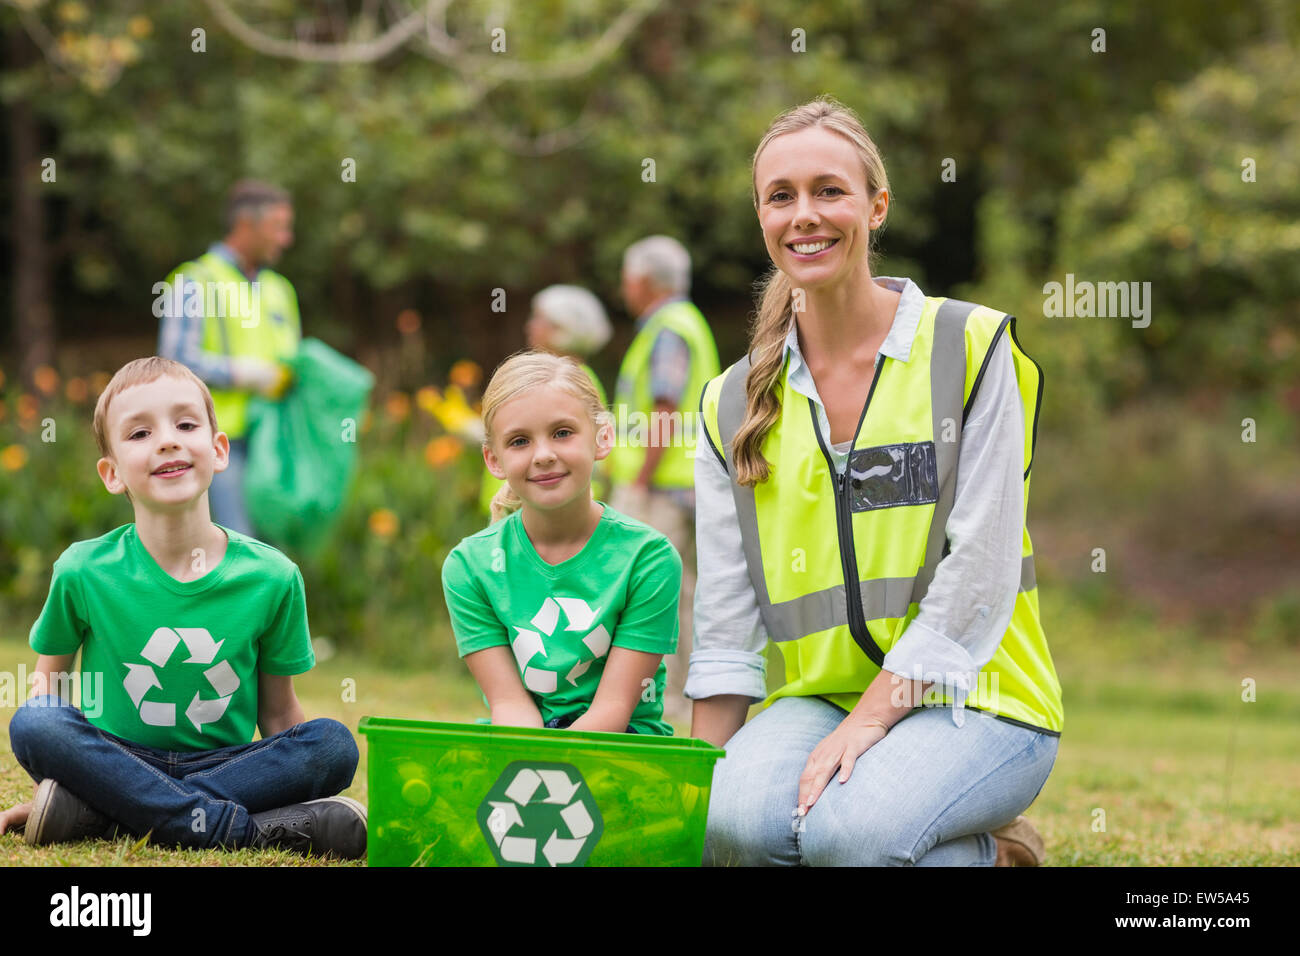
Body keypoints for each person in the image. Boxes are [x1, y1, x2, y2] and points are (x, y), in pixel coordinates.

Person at [686, 97, 1064, 867]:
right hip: (819, 700)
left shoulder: (971, 346)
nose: (805, 216)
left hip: (979, 699)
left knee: (848, 834)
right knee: (735, 828)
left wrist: (867, 723)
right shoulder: (729, 403)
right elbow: (727, 625)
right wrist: (694, 795)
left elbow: (982, 572)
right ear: (760, 215)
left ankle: (977, 842)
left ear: (876, 206)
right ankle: (981, 857)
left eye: (830, 190)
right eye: (781, 196)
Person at [0, 357, 365, 858]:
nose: (168, 440)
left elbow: (278, 713)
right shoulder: (83, 570)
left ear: (218, 451)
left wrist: (304, 765)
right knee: (35, 720)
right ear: (112, 474)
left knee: (333, 744)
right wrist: (77, 763)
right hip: (118, 760)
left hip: (231, 764)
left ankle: (106, 816)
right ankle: (240, 830)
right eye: (140, 433)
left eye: (186, 424)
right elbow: (50, 694)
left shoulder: (272, 577)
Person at [442, 350, 682, 736]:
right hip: (522, 741)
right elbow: (509, 705)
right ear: (494, 460)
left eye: (562, 433)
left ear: (603, 438)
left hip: (623, 748)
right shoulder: (469, 567)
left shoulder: (648, 560)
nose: (544, 455)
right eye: (519, 441)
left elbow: (614, 709)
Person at [609, 236, 721, 722]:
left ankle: (669, 698)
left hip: (661, 487)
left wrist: (641, 479)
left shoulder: (668, 329)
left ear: (643, 281)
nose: (623, 286)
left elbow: (664, 407)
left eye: (627, 277)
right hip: (684, 483)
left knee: (656, 593)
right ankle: (687, 693)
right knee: (683, 591)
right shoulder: (686, 323)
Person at [157, 179, 301, 537]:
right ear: (246, 225)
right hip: (219, 442)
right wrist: (238, 373)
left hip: (273, 441)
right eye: (278, 227)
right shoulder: (194, 281)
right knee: (237, 546)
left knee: (273, 552)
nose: (286, 239)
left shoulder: (279, 289)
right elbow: (173, 362)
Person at [478, 284, 613, 518]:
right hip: (517, 507)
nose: (529, 326)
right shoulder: (536, 381)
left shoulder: (574, 384)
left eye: (539, 319)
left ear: (563, 328)